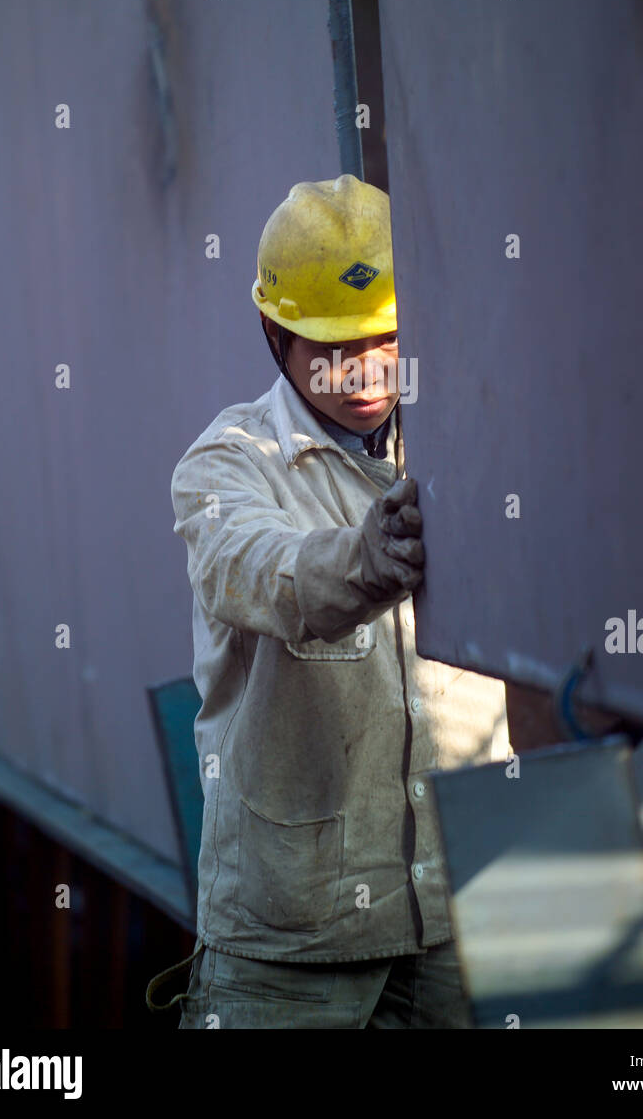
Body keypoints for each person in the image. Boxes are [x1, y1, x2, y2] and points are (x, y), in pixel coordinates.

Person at [145, 173, 510, 1028]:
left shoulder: (472, 441)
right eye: (332, 349)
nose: (364, 372)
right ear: (276, 337)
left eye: (384, 341)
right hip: (290, 950)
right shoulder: (227, 463)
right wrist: (368, 558)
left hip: (457, 922)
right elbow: (263, 572)